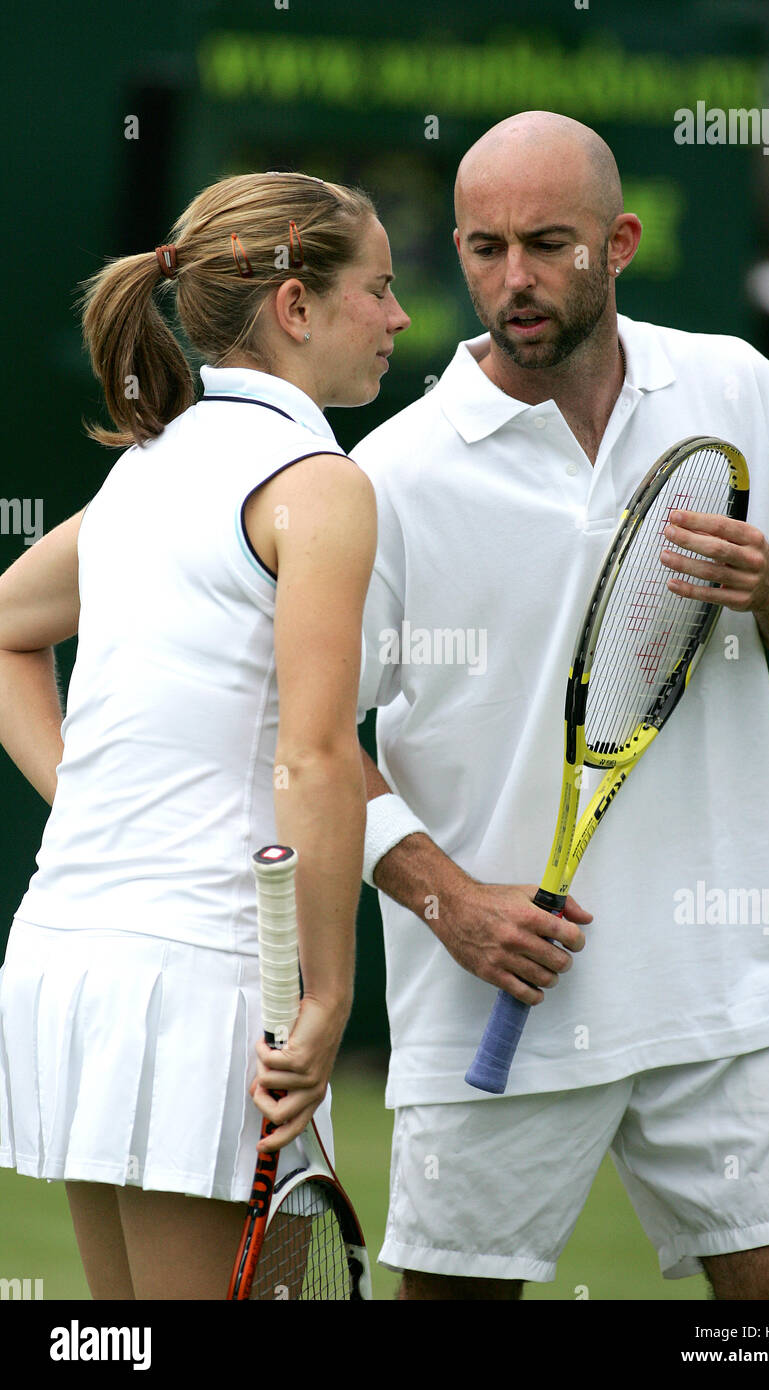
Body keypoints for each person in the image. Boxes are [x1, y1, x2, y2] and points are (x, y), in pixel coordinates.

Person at [352, 112, 769, 1301]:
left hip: (727, 986)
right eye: (483, 248)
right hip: (497, 993)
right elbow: (308, 741)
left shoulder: (734, 384)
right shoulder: (390, 474)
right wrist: (453, 902)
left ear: (619, 242)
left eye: (546, 243)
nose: (512, 279)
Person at [0, 171, 409, 1299]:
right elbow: (315, 757)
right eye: (376, 288)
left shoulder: (139, 472)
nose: (397, 317)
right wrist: (328, 997)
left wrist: (87, 796)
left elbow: (3, 627)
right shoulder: (319, 484)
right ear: (295, 306)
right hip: (199, 982)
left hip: (68, 959)